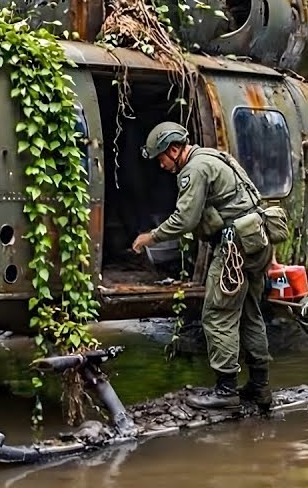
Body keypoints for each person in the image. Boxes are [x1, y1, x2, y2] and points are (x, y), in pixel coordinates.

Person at [131, 121, 275, 411]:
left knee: (217, 314)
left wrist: (150, 237)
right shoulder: (218, 157)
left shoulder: (194, 169)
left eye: (161, 158)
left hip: (234, 248)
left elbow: (185, 219)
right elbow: (253, 200)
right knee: (249, 313)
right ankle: (259, 388)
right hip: (257, 242)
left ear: (174, 149)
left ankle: (225, 391)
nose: (161, 165)